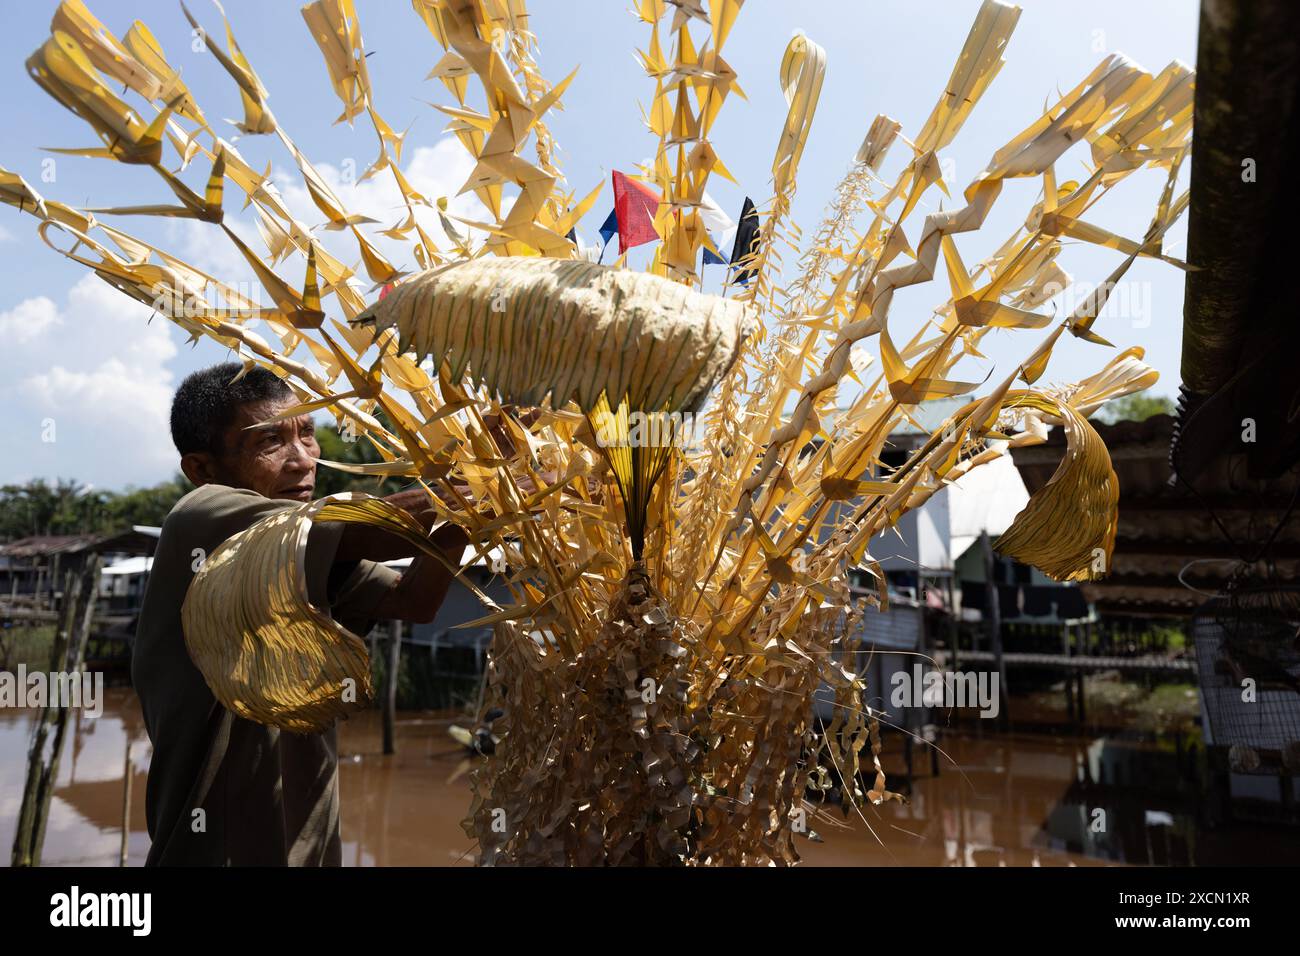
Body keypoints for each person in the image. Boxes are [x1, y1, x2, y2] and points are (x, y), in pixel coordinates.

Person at [133, 362, 468, 866]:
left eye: (307, 434)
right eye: (270, 441)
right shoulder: (202, 518)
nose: (303, 460)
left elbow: (413, 599)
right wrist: (482, 479)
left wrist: (472, 508)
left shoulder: (305, 559)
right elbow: (370, 528)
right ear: (203, 468)